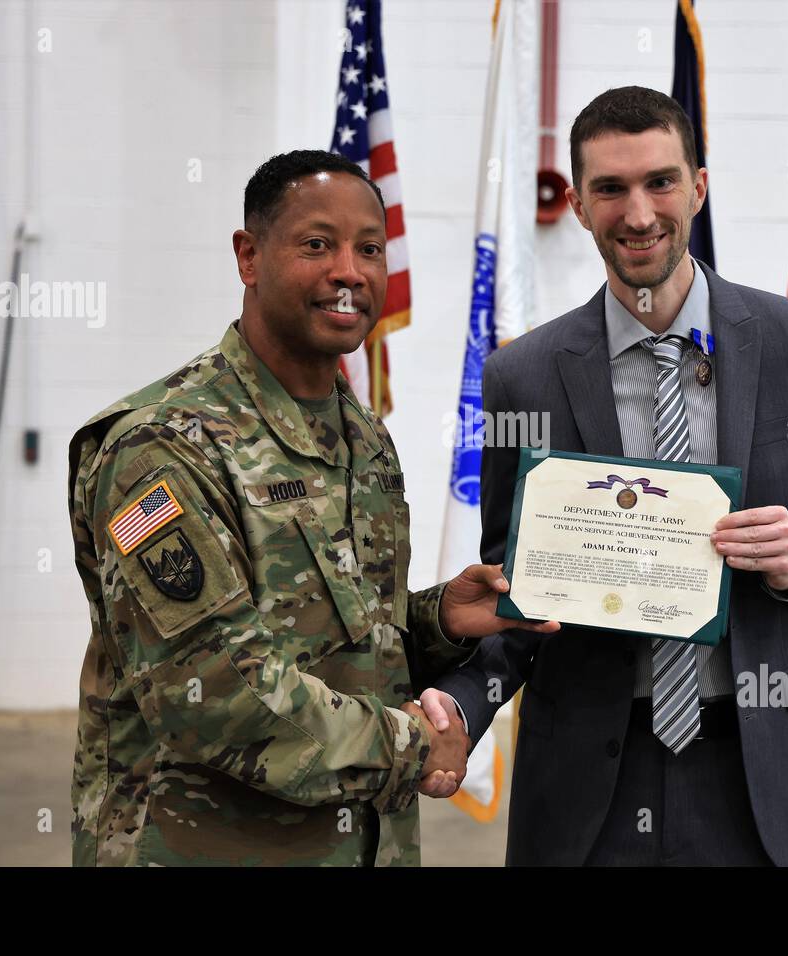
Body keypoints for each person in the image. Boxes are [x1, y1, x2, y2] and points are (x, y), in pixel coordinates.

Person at [422, 87, 788, 866]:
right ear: (578, 204)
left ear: (699, 187)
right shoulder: (524, 376)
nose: (639, 214)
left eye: (661, 183)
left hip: (751, 772)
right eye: (610, 188)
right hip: (586, 783)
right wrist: (465, 701)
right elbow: (521, 588)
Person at [66, 149, 556, 867]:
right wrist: (416, 745)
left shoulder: (363, 439)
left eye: (369, 249)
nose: (349, 272)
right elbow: (214, 695)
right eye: (317, 244)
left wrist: (439, 620)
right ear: (249, 256)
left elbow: (348, 641)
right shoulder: (163, 448)